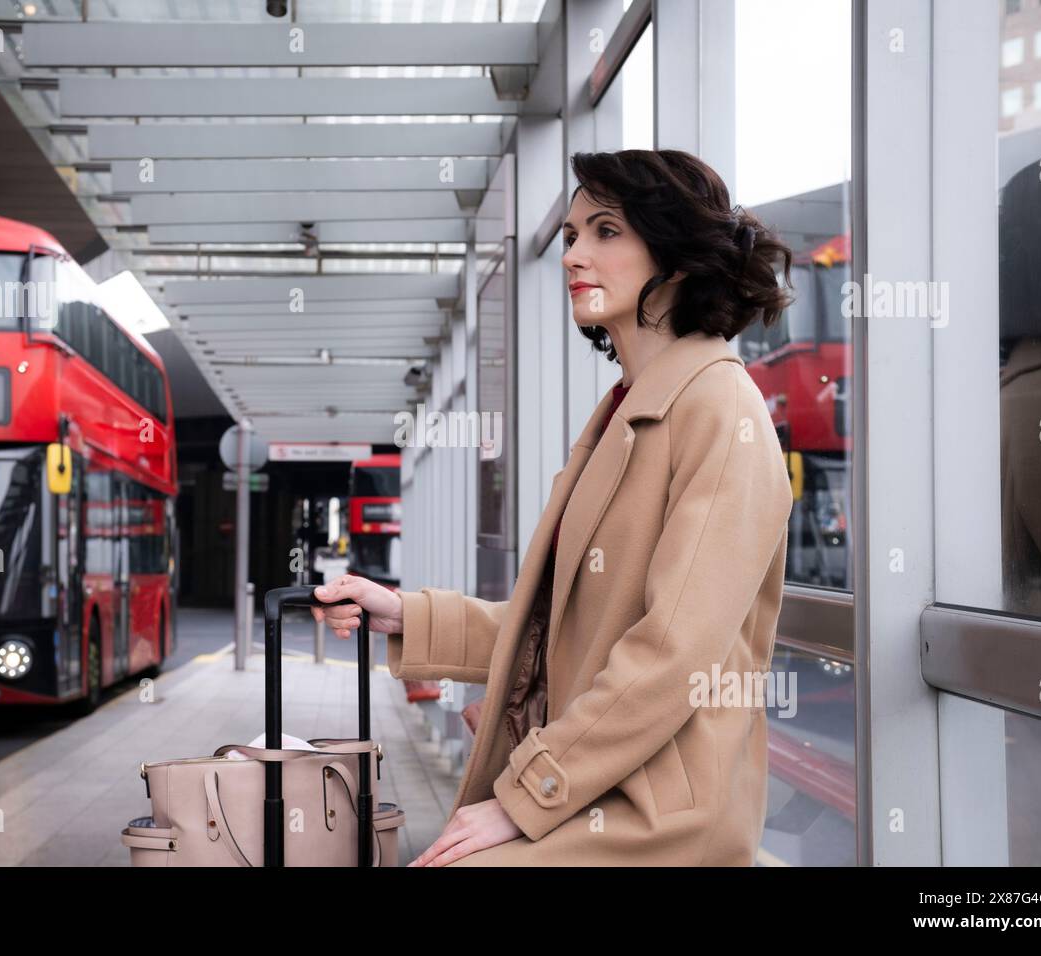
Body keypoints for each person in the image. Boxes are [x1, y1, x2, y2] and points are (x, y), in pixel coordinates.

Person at [312, 149, 795, 866]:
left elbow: (673, 652)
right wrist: (408, 614)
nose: (573, 255)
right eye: (570, 236)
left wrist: (527, 794)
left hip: (661, 811)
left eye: (605, 232)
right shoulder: (623, 413)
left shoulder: (719, 406)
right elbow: (560, 630)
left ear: (678, 254)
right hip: (601, 780)